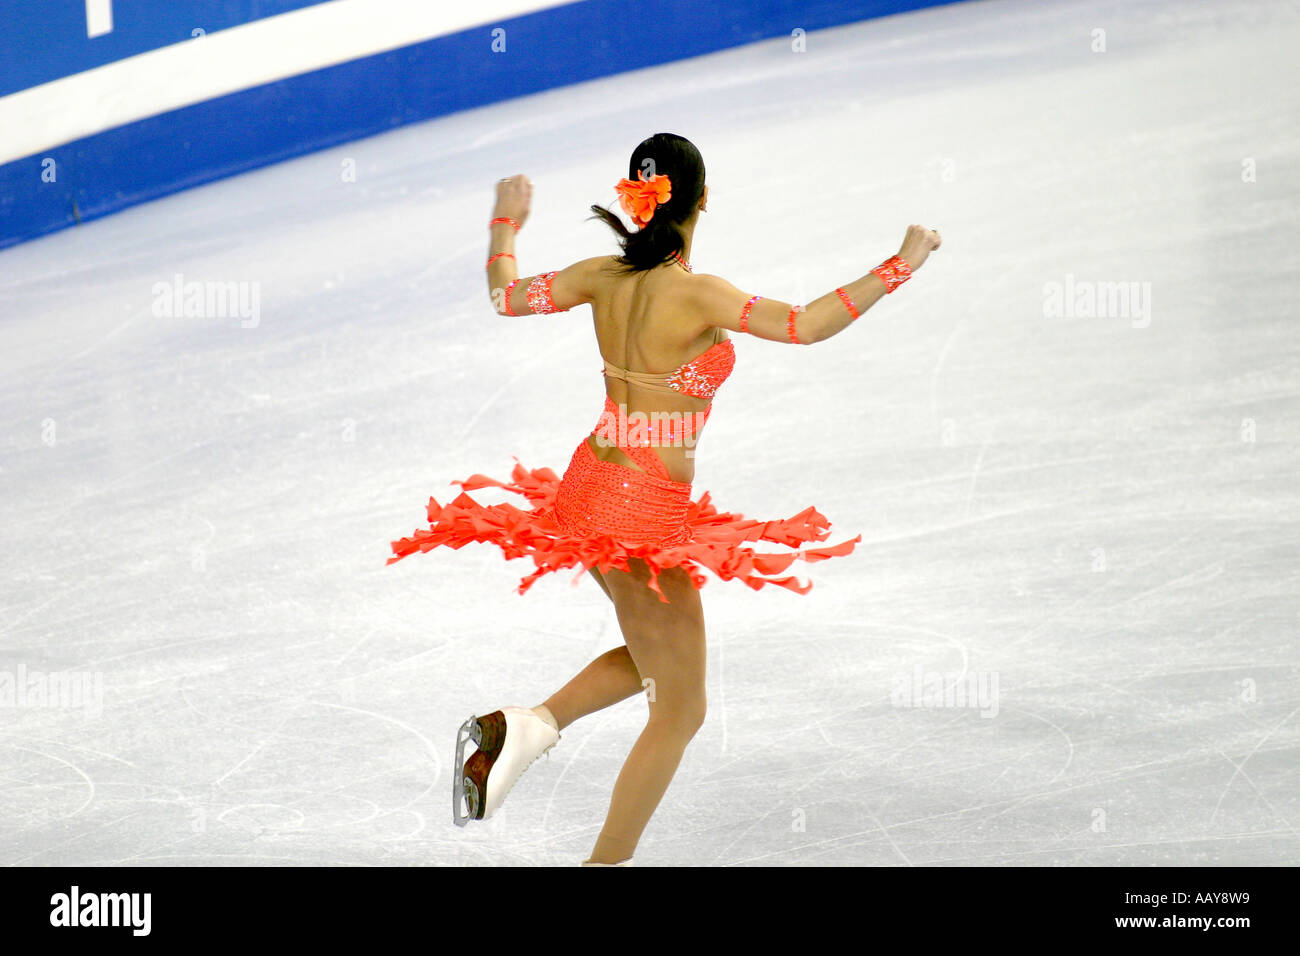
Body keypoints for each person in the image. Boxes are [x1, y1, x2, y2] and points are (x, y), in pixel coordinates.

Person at [388, 132, 941, 865]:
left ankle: (522, 729)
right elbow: (808, 325)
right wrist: (902, 262)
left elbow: (505, 296)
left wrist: (505, 223)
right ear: (701, 199)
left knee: (661, 661)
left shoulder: (601, 275)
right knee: (680, 706)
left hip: (588, 488)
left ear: (637, 197)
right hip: (640, 509)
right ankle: (603, 861)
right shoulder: (697, 292)